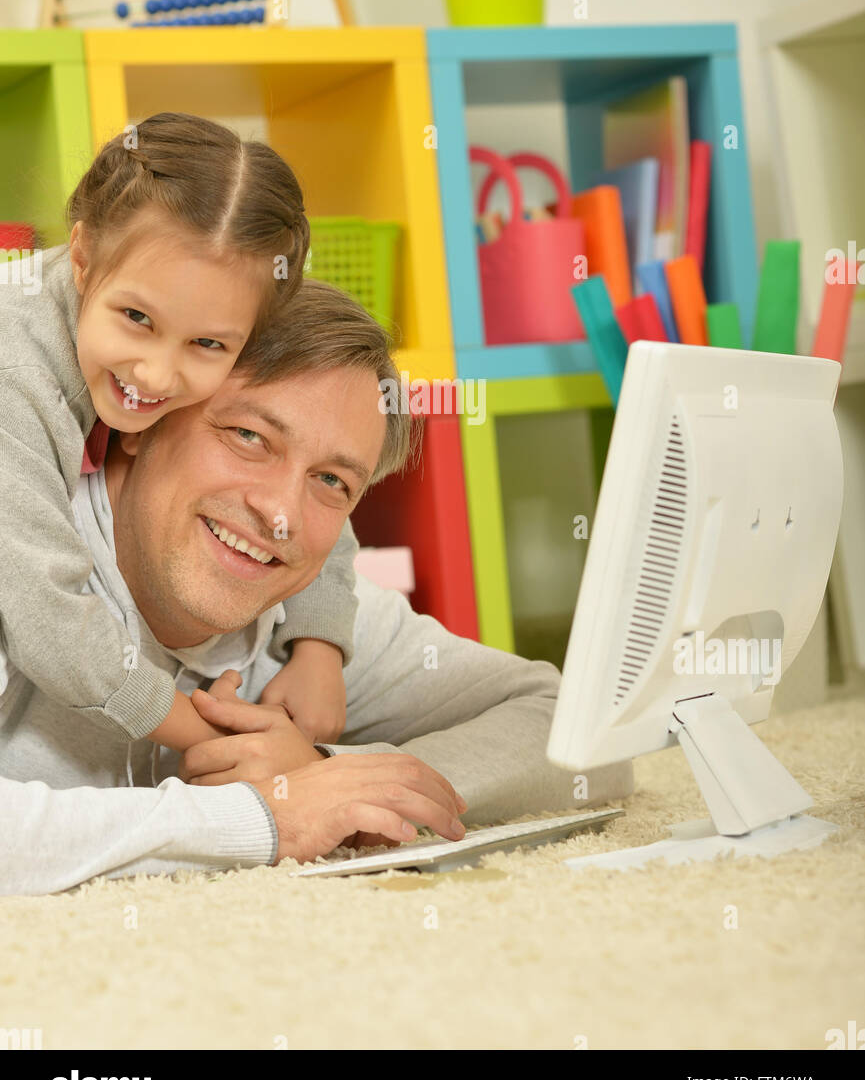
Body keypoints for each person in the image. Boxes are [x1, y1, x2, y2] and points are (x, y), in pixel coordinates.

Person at [0, 280, 632, 896]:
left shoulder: (300, 630)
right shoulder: (23, 561)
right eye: (248, 437)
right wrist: (267, 820)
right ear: (142, 415)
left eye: (331, 481)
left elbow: (586, 733)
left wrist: (336, 777)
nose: (281, 514)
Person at [0, 112, 358, 773]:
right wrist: (216, 739)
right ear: (81, 258)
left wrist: (319, 646)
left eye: (207, 344)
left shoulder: (142, 307)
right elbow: (47, 617)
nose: (157, 374)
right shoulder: (13, 373)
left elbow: (321, 455)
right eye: (137, 319)